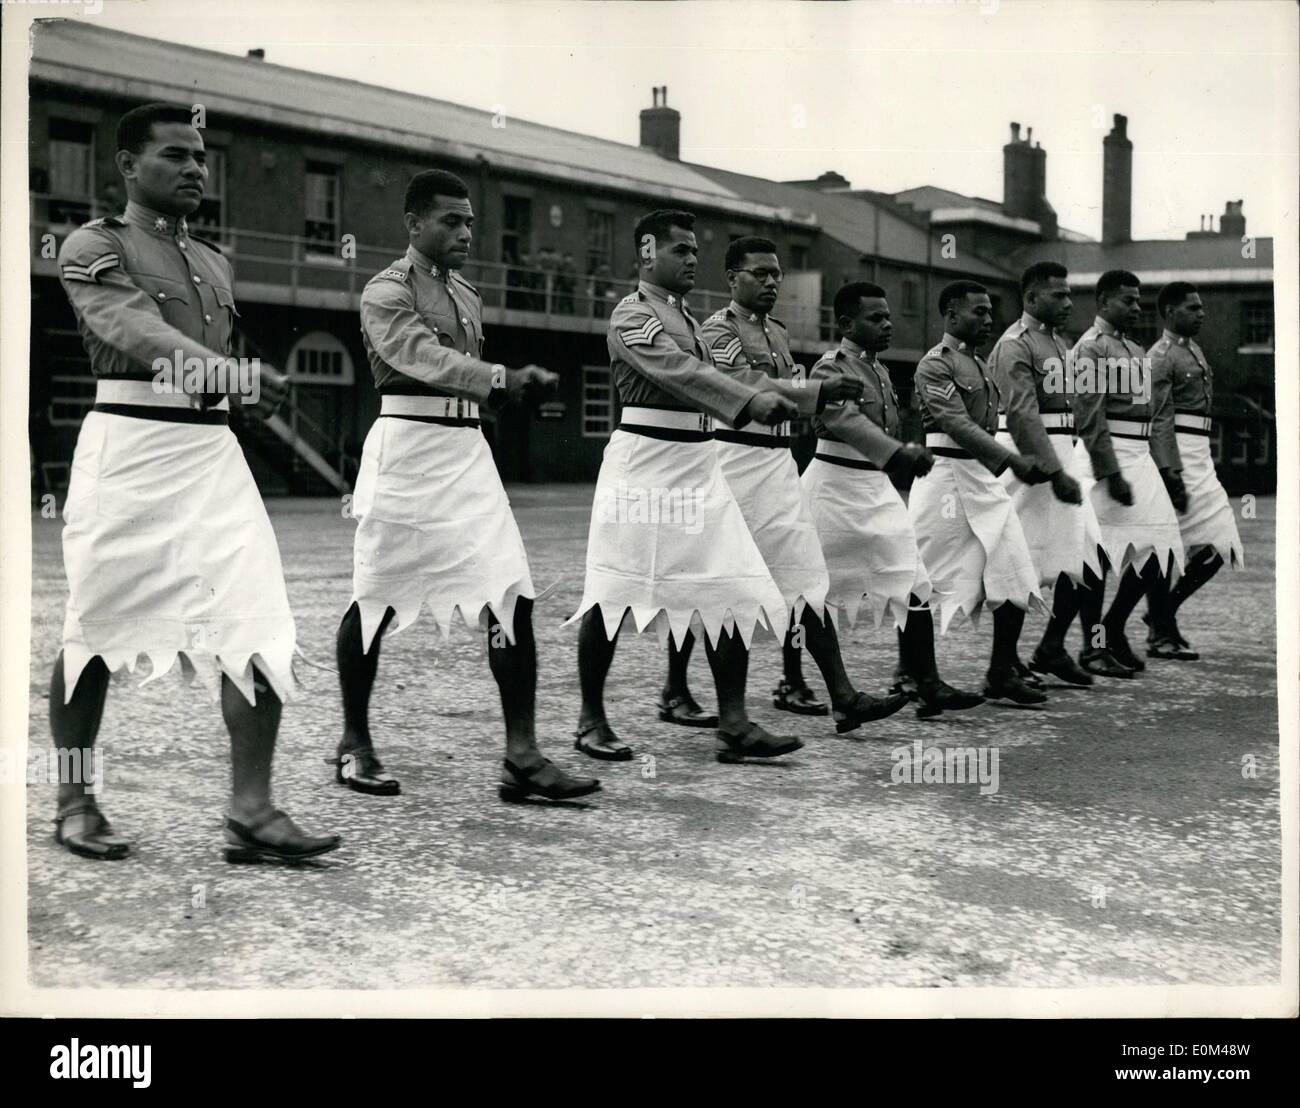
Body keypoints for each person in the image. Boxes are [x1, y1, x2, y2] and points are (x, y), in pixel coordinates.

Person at [50, 102, 338, 864]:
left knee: (258, 620)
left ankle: (251, 810)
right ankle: (74, 799)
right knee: (96, 629)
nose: (193, 170)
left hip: (211, 455)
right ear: (126, 165)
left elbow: (206, 355)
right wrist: (231, 374)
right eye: (174, 155)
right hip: (130, 450)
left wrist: (232, 382)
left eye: (201, 158)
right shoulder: (90, 246)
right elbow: (135, 333)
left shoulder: (214, 261)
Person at [331, 168, 598, 803]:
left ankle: (522, 756)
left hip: (465, 452)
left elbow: (469, 378)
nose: (465, 231)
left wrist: (513, 395)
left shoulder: (469, 296)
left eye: (470, 220)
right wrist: (502, 378)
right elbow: (422, 357)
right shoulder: (385, 292)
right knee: (376, 597)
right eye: (451, 220)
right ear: (414, 224)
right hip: (406, 451)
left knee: (511, 594)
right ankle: (354, 742)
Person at [569, 209, 802, 765]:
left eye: (696, 250)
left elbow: (724, 378)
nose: (693, 259)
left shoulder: (691, 321)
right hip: (645, 460)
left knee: (733, 587)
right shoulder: (633, 313)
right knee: (613, 594)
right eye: (681, 250)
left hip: (698, 462)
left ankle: (735, 722)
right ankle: (590, 719)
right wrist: (746, 402)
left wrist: (796, 394)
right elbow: (673, 370)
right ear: (647, 252)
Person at [669, 238, 907, 734]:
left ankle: (842, 695)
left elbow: (787, 391)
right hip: (736, 457)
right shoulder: (719, 330)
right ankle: (675, 688)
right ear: (732, 278)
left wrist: (810, 396)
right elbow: (743, 384)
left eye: (776, 274)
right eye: (760, 273)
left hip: (777, 461)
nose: (773, 282)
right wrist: (816, 392)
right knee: (711, 580)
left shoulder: (777, 332)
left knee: (804, 578)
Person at [803, 283, 986, 718]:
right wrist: (898, 454)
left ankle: (926, 682)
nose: (887, 325)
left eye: (888, 317)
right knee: (810, 590)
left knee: (914, 580)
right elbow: (844, 421)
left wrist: (900, 453)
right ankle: (806, 684)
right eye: (875, 318)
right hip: (833, 487)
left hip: (875, 489)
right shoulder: (830, 369)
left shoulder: (880, 372)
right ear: (846, 324)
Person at [908, 281, 1052, 704]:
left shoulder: (982, 363)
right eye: (978, 313)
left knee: (1015, 571)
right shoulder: (934, 365)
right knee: (922, 579)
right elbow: (956, 423)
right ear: (951, 315)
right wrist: (1010, 461)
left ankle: (1000, 672)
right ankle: (920, 678)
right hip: (945, 477)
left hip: (982, 480)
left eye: (990, 313)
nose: (988, 320)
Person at [987, 261, 1106, 686]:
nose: (1069, 302)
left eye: (1070, 294)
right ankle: (1003, 666)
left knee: (1090, 556)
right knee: (1021, 564)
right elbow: (1021, 415)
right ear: (1032, 297)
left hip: (1061, 453)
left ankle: (1050, 647)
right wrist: (1055, 472)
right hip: (1028, 461)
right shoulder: (1014, 344)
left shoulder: (1058, 343)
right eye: (1059, 295)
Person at [1070, 270, 1186, 676]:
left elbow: (1152, 415)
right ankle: (1093, 647)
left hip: (1140, 456)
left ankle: (1114, 626)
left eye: (1139, 301)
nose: (1137, 308)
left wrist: (1164, 468)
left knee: (1159, 547)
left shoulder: (1136, 350)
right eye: (1127, 301)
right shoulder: (1090, 349)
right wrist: (1108, 471)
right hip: (1107, 456)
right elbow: (1089, 415)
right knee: (1098, 556)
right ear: (1102, 303)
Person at [1142, 282, 1244, 658]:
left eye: (1201, 307)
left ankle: (1162, 614)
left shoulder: (1193, 350)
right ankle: (1160, 632)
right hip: (1177, 452)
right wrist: (1170, 470)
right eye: (1192, 308)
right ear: (1169, 312)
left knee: (1221, 543)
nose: (1201, 313)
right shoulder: (1160, 356)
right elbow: (1159, 419)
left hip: (1200, 453)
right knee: (1165, 546)